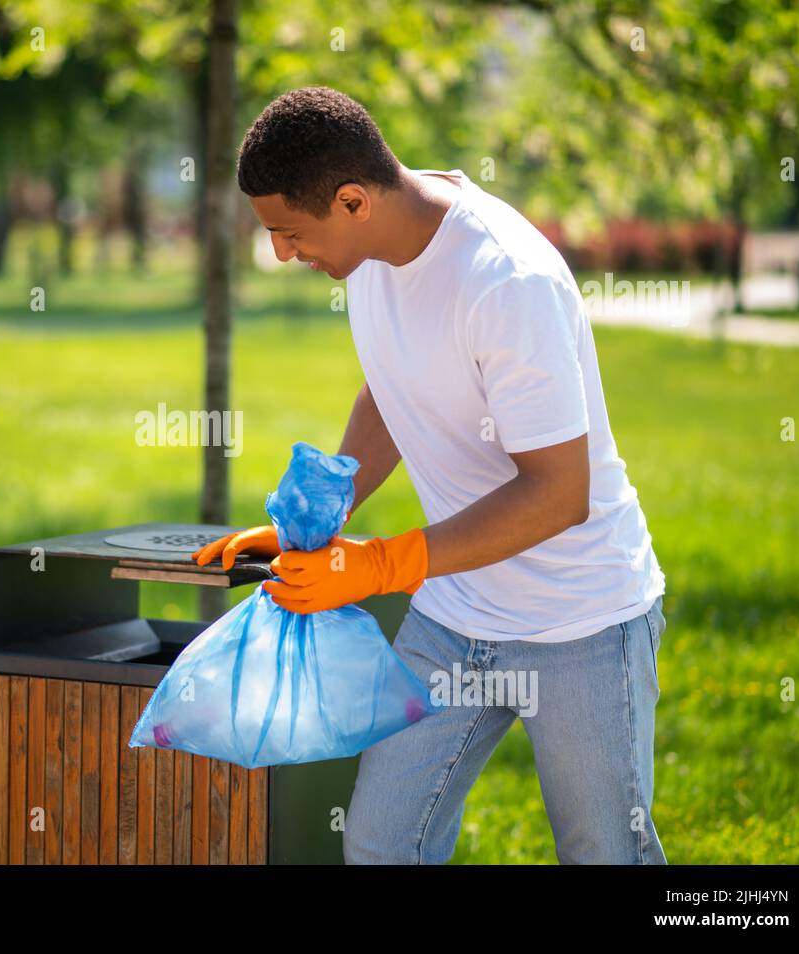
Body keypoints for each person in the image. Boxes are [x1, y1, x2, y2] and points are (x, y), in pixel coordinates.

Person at [192, 86, 668, 865]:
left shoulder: (506, 282)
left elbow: (557, 492)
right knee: (381, 844)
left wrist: (380, 565)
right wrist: (326, 508)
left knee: (605, 853)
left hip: (579, 619)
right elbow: (391, 385)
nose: (281, 252)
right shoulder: (372, 254)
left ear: (352, 200)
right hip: (454, 615)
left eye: (288, 232)